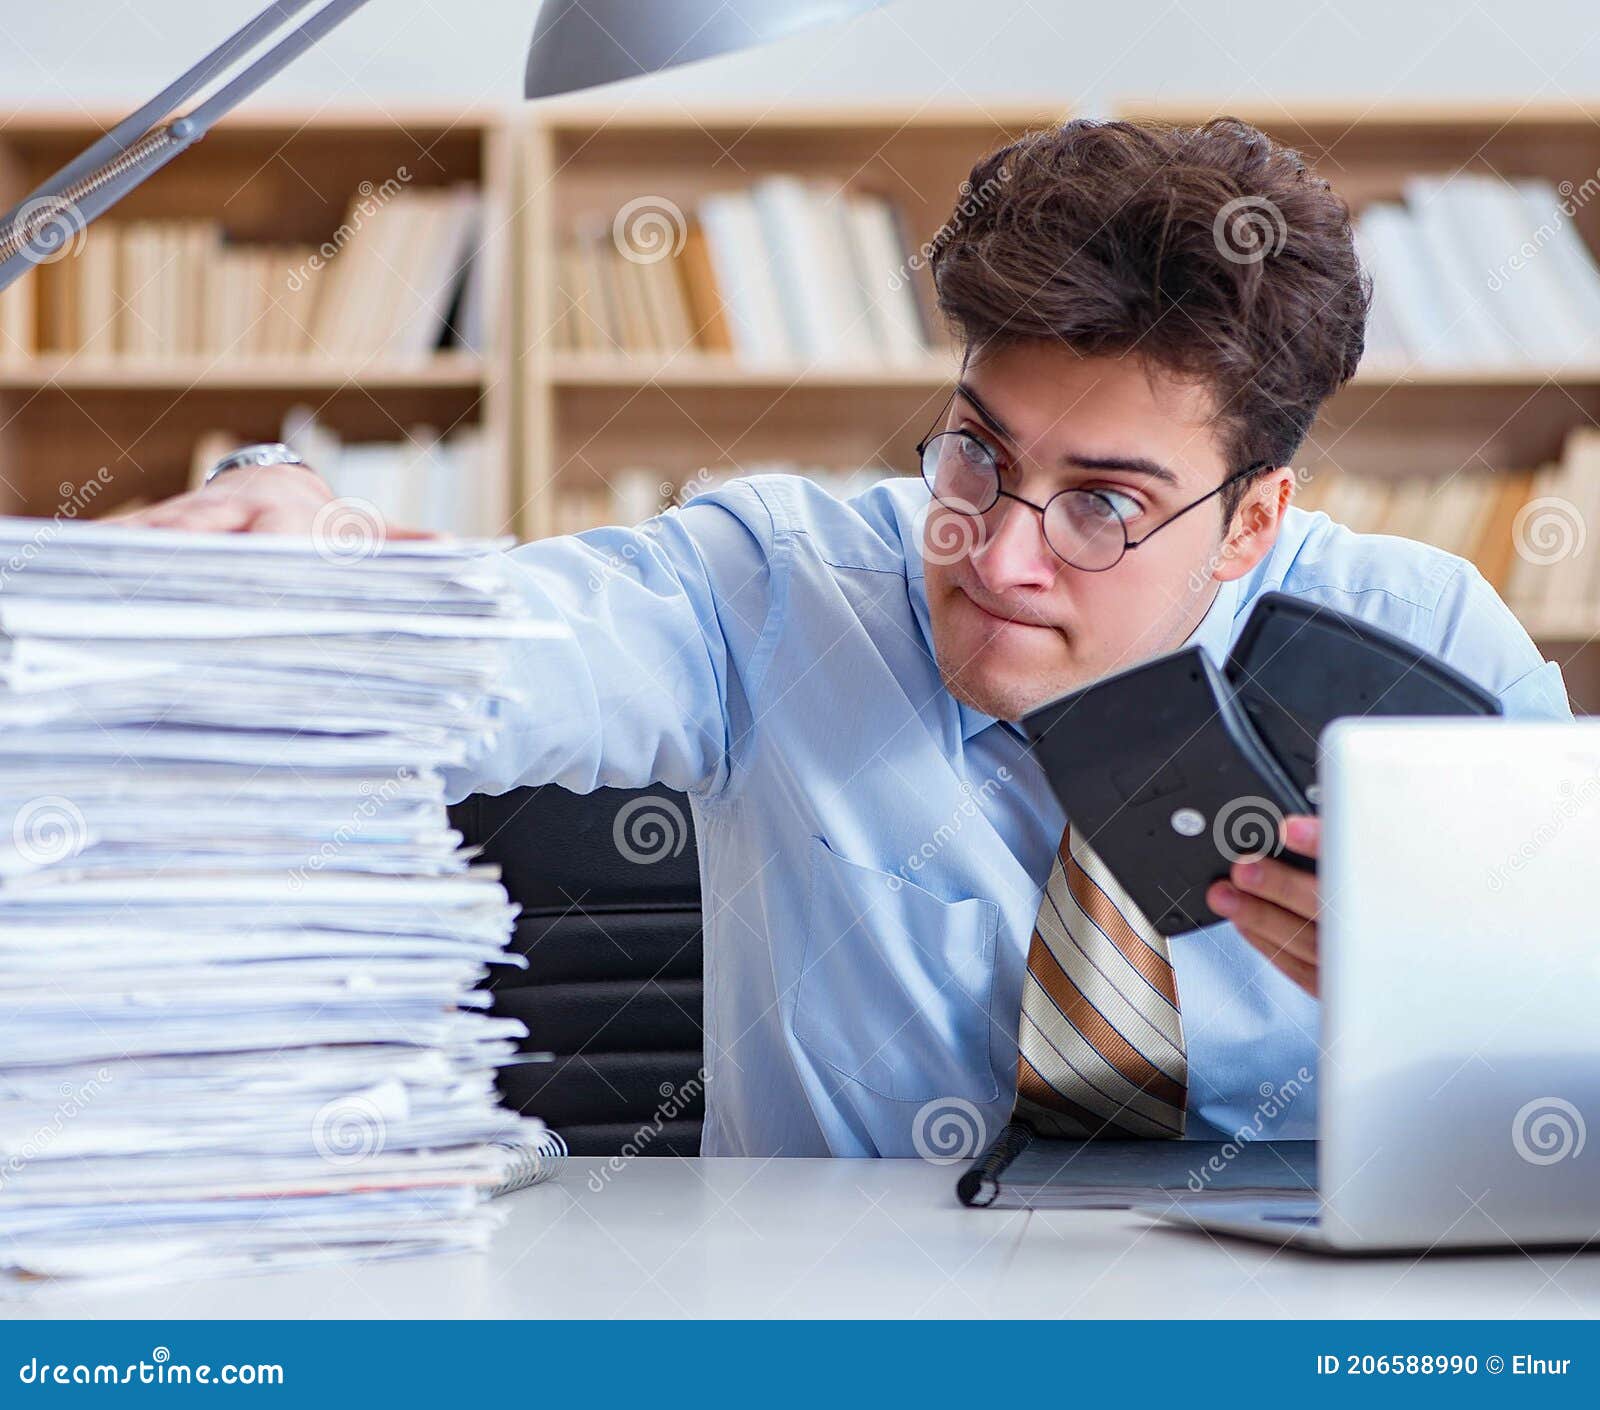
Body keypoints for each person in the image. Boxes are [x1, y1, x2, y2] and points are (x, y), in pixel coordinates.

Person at [123, 118, 1570, 1157]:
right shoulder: (780, 590)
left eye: (1103, 505)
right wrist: (321, 547)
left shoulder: (1419, 657)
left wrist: (1477, 986)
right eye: (977, 456)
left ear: (1252, 522)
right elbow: (503, 649)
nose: (996, 552)